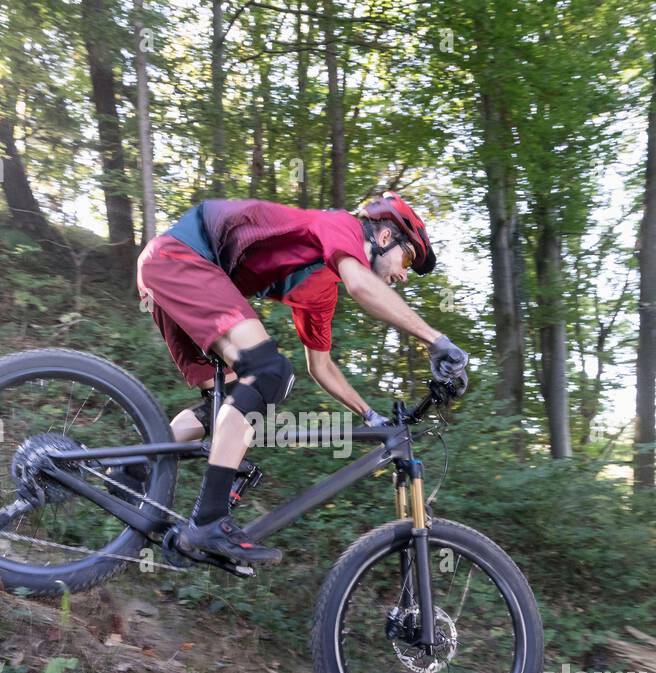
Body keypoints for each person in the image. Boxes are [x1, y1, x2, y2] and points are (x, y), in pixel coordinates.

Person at [127, 191, 469, 565]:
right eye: (406, 258)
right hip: (181, 259)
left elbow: (320, 366)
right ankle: (208, 521)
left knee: (229, 403)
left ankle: (130, 467)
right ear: (384, 238)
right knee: (269, 372)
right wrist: (437, 341)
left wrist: (370, 415)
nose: (403, 273)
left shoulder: (320, 290)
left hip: (173, 272)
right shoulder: (341, 225)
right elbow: (360, 285)